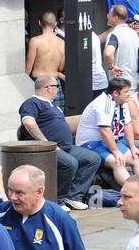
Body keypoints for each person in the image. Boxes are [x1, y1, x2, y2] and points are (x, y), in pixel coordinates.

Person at [20, 76, 99, 211]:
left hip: (66, 147)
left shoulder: (53, 105)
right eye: (57, 86)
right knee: (70, 163)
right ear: (48, 88)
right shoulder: (32, 103)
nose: (58, 89)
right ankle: (58, 199)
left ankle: (74, 197)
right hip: (48, 148)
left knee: (93, 159)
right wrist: (46, 143)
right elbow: (28, 122)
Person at [75, 77, 139, 187]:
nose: (129, 94)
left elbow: (127, 124)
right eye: (126, 91)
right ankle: (132, 191)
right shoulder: (103, 103)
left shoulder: (122, 101)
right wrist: (116, 152)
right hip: (90, 143)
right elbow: (105, 130)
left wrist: (133, 147)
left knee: (137, 158)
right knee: (118, 162)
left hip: (109, 141)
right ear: (115, 93)